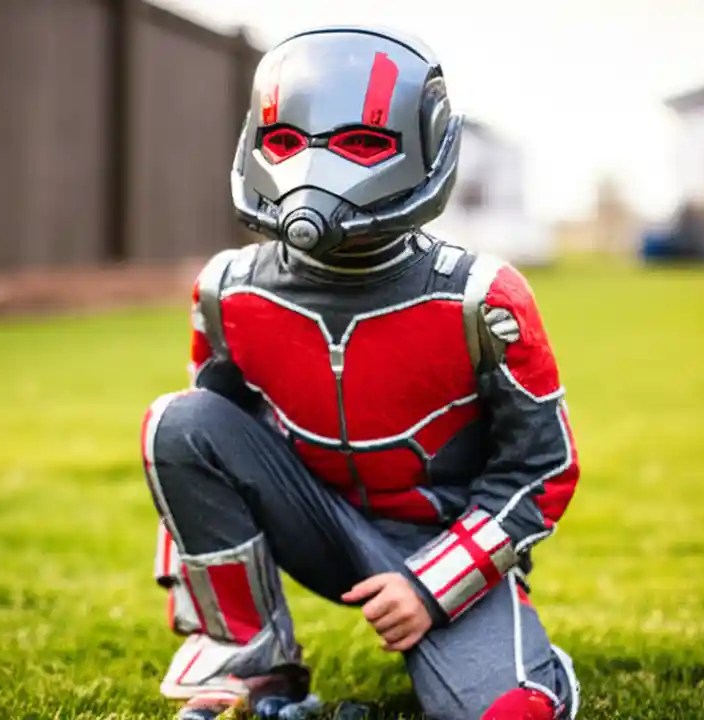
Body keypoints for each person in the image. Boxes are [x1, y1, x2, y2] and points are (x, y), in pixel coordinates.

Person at [141, 26, 581, 720]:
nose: (316, 170)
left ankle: (524, 659)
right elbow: (202, 447)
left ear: (428, 143)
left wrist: (435, 586)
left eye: (361, 142)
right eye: (287, 141)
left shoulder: (480, 299)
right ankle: (246, 661)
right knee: (181, 420)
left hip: (445, 540)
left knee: (509, 713)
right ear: (257, 138)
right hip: (315, 519)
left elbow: (542, 469)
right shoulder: (227, 290)